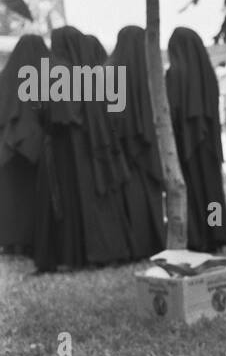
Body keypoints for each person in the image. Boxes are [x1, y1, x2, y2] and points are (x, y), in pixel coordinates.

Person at [33, 25, 132, 272]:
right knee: (94, 199)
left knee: (72, 200)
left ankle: (77, 254)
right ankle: (104, 251)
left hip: (66, 148)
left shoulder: (57, 71)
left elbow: (51, 114)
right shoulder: (89, 75)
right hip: (91, 149)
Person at [165, 25, 226, 252]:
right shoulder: (207, 74)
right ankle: (216, 232)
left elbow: (171, 110)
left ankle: (198, 236)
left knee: (193, 193)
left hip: (186, 145)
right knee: (212, 192)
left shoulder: (173, 75)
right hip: (209, 144)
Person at [107, 25, 165, 259]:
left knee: (128, 199)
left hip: (119, 151)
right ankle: (154, 242)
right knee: (148, 197)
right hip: (147, 149)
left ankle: (133, 246)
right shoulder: (151, 75)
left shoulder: (108, 73)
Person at [0, 33, 47, 255]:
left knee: (10, 198)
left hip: (7, 151)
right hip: (37, 150)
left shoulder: (5, 77)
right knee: (32, 199)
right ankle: (31, 240)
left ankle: (10, 241)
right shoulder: (46, 79)